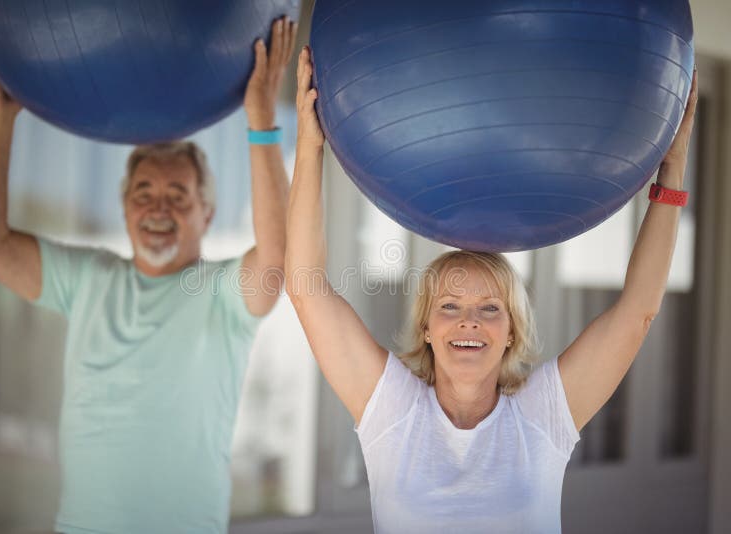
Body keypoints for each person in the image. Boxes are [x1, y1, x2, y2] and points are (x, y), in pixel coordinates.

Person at [286, 46, 699, 534]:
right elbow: (306, 288)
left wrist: (671, 169)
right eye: (450, 306)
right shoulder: (391, 411)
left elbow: (637, 312)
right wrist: (309, 148)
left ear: (511, 333)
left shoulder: (542, 415)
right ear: (426, 328)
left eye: (489, 308)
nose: (469, 321)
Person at [0, 17, 298, 534]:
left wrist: (260, 117)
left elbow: (275, 257)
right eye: (144, 194)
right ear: (124, 208)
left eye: (177, 196)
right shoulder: (90, 279)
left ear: (206, 214)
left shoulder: (220, 295)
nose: (157, 208)